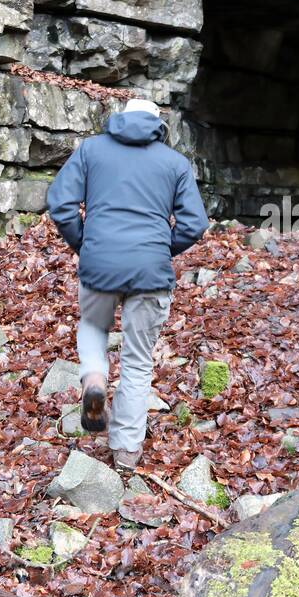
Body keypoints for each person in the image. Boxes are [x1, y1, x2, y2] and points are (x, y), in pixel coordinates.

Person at [46, 98, 208, 469]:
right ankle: (126, 451)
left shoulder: (90, 150)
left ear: (120, 118)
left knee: (92, 324)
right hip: (150, 271)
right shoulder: (174, 163)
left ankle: (94, 380)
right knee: (137, 362)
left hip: (99, 263)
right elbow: (194, 223)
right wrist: (161, 248)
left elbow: (61, 203)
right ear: (157, 125)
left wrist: (83, 243)